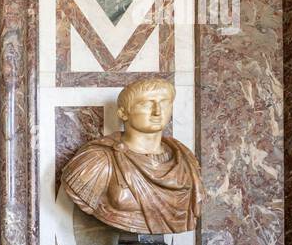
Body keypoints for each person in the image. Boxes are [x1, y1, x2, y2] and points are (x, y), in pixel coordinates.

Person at [60, 77, 203, 235]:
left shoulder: (186, 160)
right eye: (146, 103)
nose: (157, 111)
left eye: (164, 102)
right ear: (123, 113)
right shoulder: (97, 160)